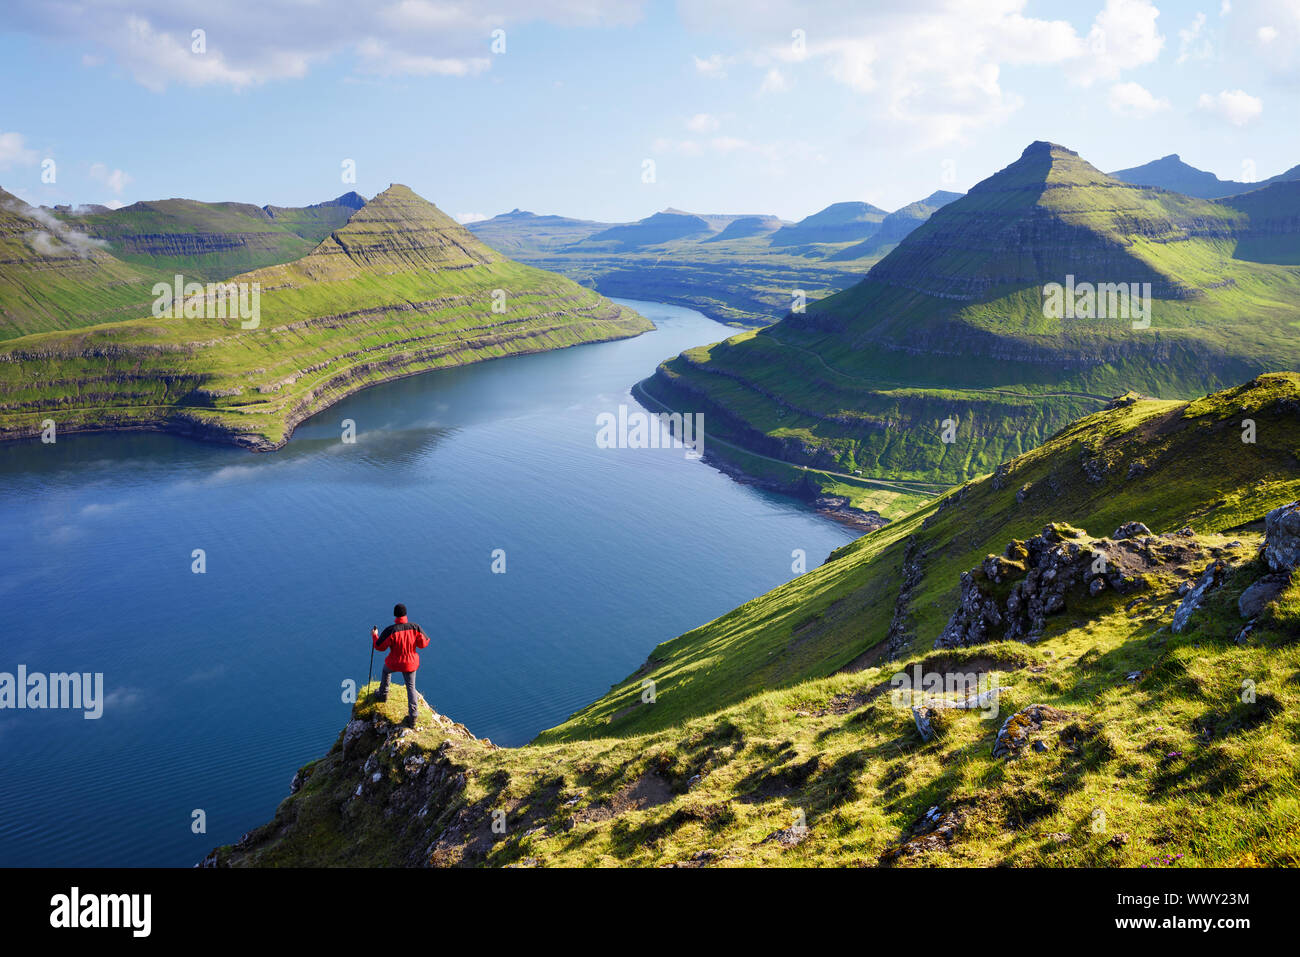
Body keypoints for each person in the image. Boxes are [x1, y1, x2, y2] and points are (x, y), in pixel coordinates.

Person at [371, 603, 429, 728]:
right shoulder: (415, 627)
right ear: (405, 614)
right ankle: (413, 717)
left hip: (394, 662)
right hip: (410, 663)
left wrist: (374, 635)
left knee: (386, 671)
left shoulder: (390, 630)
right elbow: (424, 643)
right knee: (411, 687)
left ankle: (383, 694)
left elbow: (379, 647)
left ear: (395, 615)